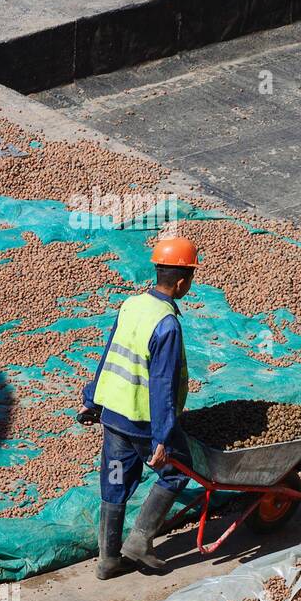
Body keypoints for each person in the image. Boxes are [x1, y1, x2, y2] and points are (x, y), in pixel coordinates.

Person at [79, 237, 198, 579]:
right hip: (143, 423)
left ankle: (108, 560)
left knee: (115, 480)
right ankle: (139, 542)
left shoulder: (131, 305)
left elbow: (107, 354)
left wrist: (92, 399)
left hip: (114, 417)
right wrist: (162, 437)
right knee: (177, 471)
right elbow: (163, 386)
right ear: (181, 281)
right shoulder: (167, 324)